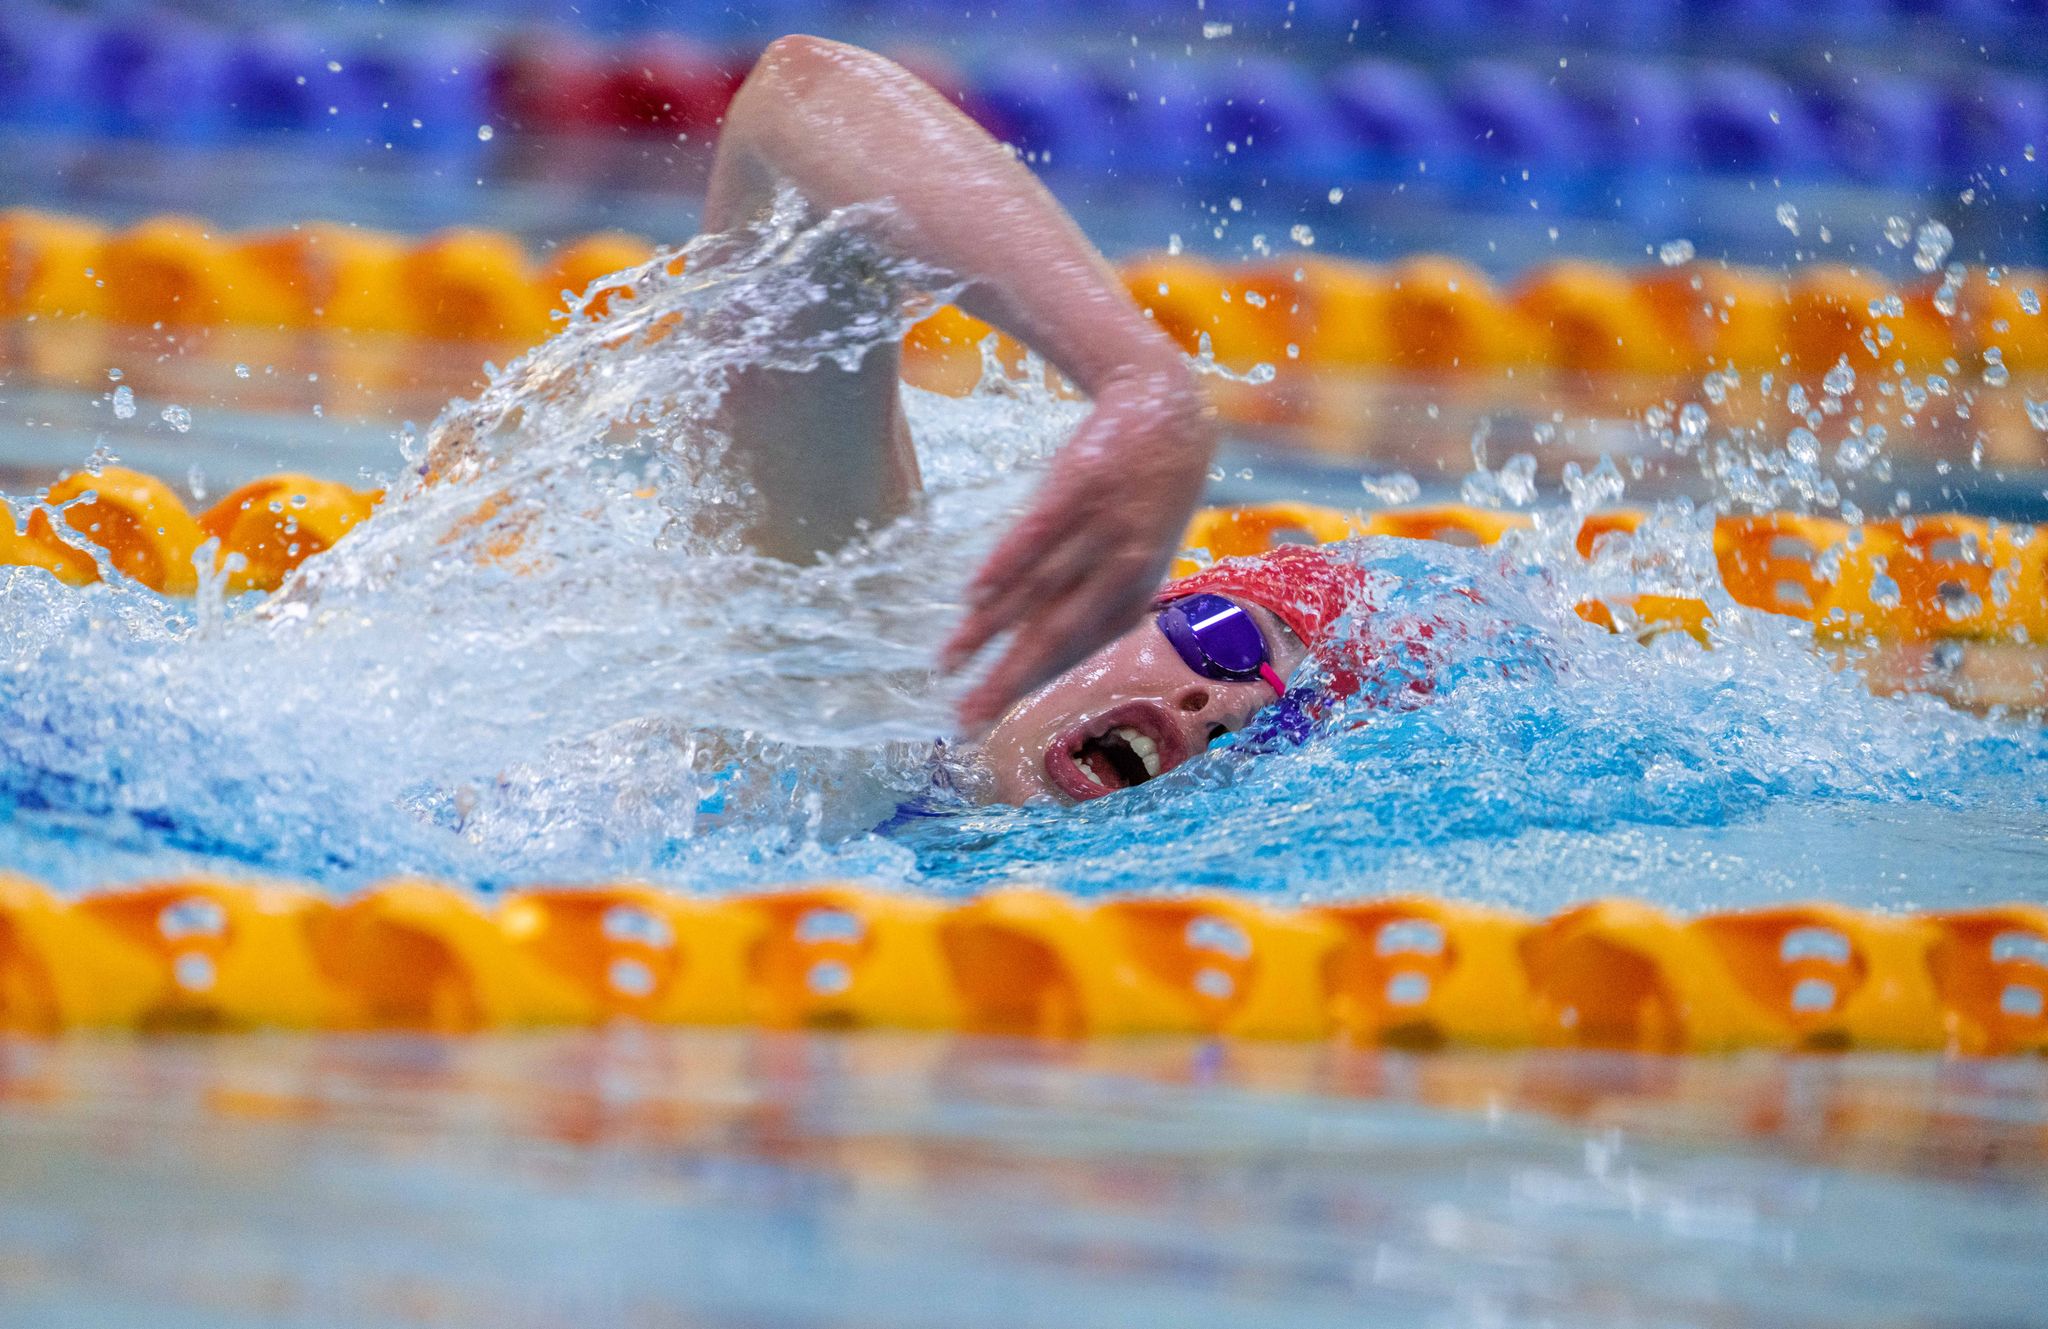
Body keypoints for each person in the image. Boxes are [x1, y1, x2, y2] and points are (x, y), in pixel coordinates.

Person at [689, 38, 1381, 807]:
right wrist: (1139, 377)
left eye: (1269, 735)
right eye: (1225, 638)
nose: (1222, 707)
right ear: (1104, 608)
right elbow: (795, 96)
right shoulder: (841, 692)